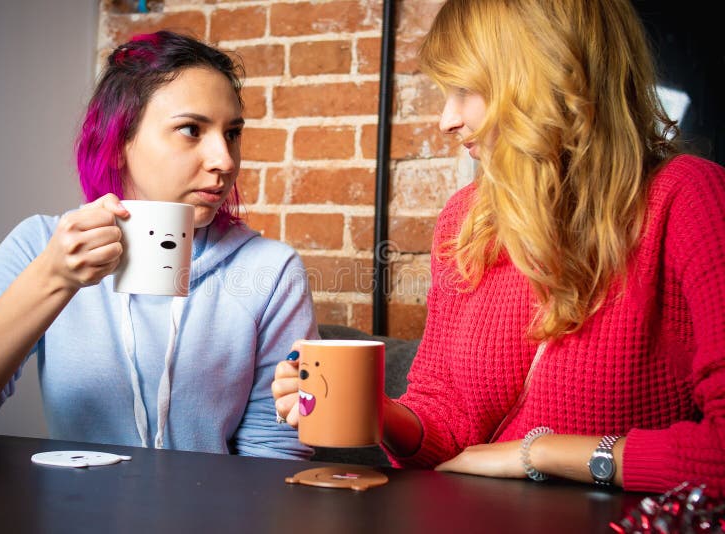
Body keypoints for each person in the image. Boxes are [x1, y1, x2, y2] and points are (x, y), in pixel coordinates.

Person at [273, 0, 725, 495]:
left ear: (547, 73)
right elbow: (445, 425)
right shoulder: (466, 219)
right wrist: (372, 408)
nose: (447, 119)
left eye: (465, 90)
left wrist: (542, 452)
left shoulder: (689, 200)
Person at [0, 31, 317, 459]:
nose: (224, 160)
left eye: (232, 133)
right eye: (191, 129)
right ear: (118, 144)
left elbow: (276, 453)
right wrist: (52, 278)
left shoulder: (272, 269)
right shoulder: (40, 244)